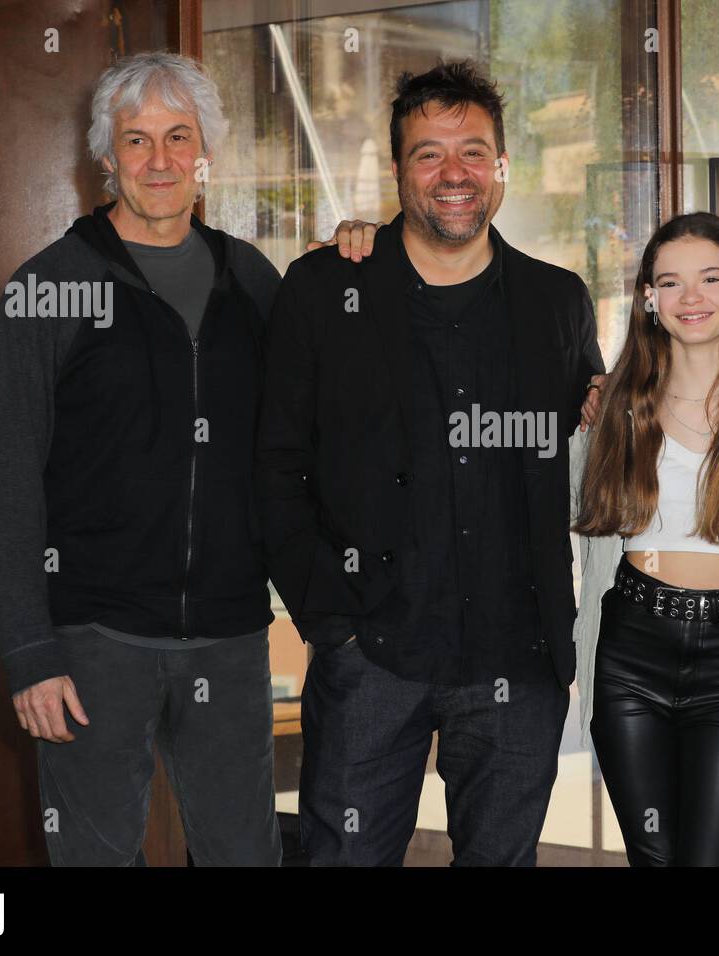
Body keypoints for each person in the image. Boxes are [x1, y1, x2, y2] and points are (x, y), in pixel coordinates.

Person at [256, 60, 605, 866]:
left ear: (502, 165)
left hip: (518, 662)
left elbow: (586, 448)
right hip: (369, 659)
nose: (455, 175)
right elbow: (276, 466)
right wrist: (328, 622)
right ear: (397, 171)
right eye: (429, 154)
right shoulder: (324, 290)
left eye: (474, 152)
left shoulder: (557, 302)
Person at [0, 52, 282, 866]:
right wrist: (30, 656)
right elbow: (7, 487)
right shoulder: (48, 288)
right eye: (136, 140)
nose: (160, 160)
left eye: (179, 137)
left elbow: (314, 427)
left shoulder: (253, 280)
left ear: (206, 150)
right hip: (92, 641)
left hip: (230, 635)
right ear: (105, 156)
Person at [569, 212, 719, 865]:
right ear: (648, 297)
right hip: (631, 650)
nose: (691, 297)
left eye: (710, 278)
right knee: (653, 855)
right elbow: (570, 510)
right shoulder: (613, 402)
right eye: (670, 282)